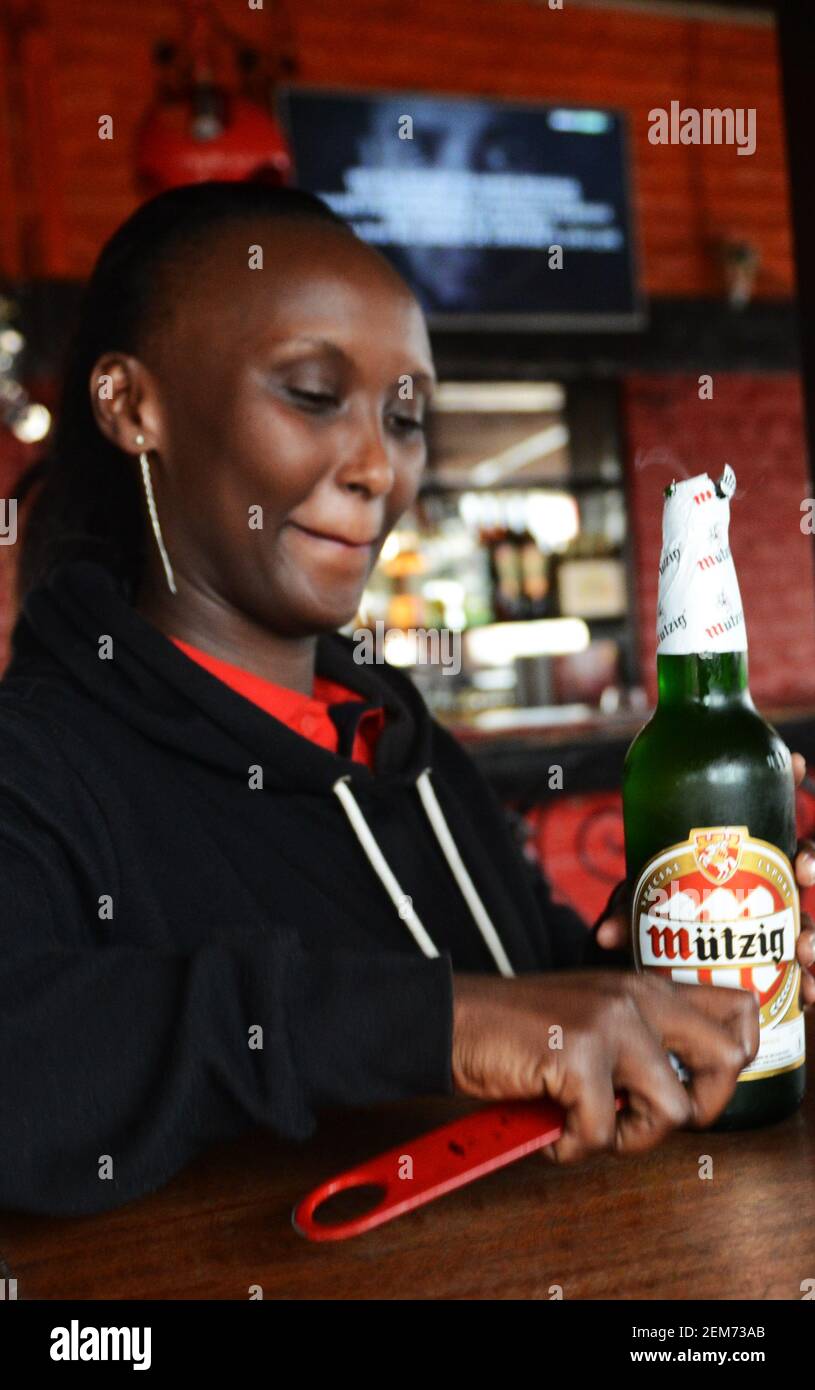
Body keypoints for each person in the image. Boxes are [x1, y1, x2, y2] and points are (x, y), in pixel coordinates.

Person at [1, 181, 813, 1218]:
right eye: (309, 392)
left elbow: (528, 996)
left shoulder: (411, 755)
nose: (379, 467)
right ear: (132, 405)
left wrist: (658, 970)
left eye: (406, 415)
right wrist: (444, 1024)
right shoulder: (37, 763)